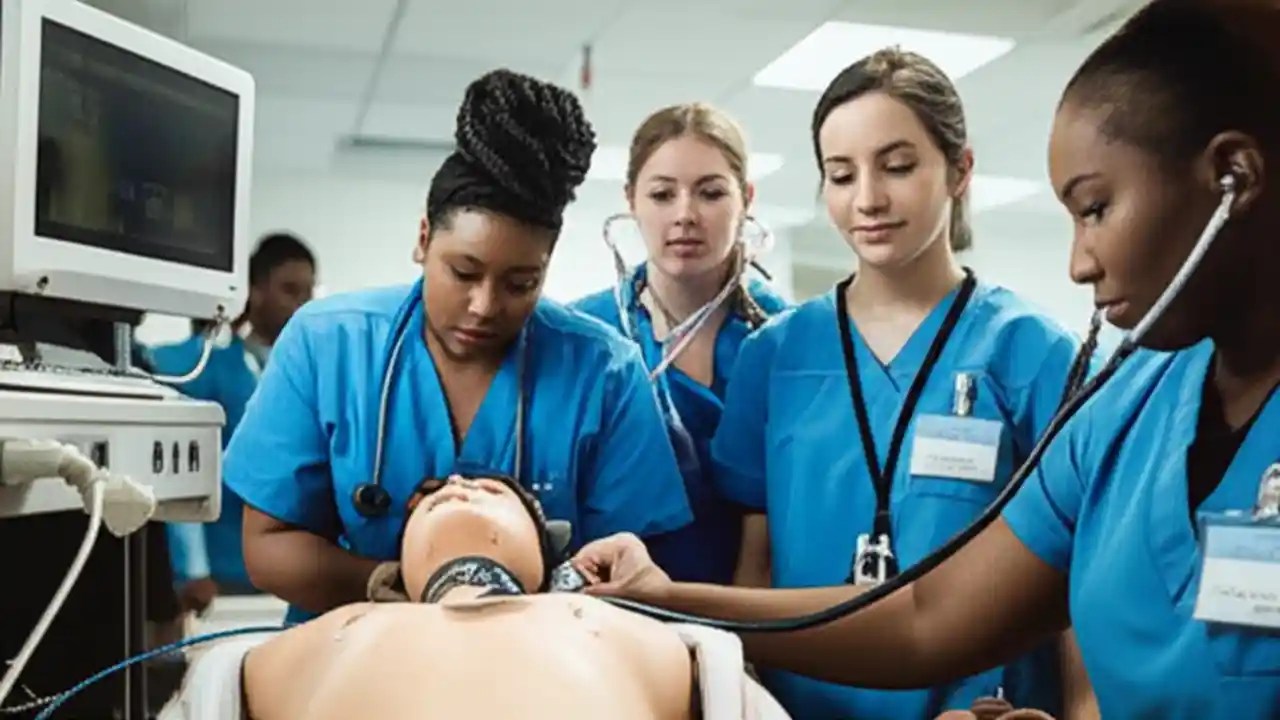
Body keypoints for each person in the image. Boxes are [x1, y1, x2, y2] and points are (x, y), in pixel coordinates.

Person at [571, 1, 1280, 718]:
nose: (1077, 264)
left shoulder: (1031, 353)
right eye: (841, 174)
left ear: (1233, 179)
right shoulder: (1128, 410)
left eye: (1095, 209)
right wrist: (666, 601)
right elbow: (927, 616)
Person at [626, 49, 1098, 720]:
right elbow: (754, 567)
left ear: (959, 171)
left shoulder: (1030, 352)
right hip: (803, 705)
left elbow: (1072, 576)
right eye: (841, 175)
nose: (868, 199)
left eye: (898, 167)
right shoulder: (777, 355)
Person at [221, 69, 692, 623]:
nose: (485, 306)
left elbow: (630, 562)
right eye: (464, 272)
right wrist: (378, 582)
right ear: (423, 239)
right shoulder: (327, 344)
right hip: (354, 651)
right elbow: (270, 542)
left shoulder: (602, 370)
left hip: (541, 663)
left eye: (521, 284)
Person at [168, 473, 781, 720]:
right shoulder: (276, 652)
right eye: (434, 492)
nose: (457, 485)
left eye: (491, 489)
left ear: (550, 563)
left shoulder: (642, 636)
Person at [571, 103, 789, 586]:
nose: (685, 215)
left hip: (761, 613)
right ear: (631, 200)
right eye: (662, 194)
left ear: (746, 199)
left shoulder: (791, 341)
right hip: (610, 610)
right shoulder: (582, 336)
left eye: (710, 193)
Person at [149, 233, 317, 610]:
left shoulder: (315, 373)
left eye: (308, 292)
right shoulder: (211, 369)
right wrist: (193, 568)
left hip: (299, 568)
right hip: (225, 571)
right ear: (254, 291)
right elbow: (183, 470)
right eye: (290, 290)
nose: (301, 305)